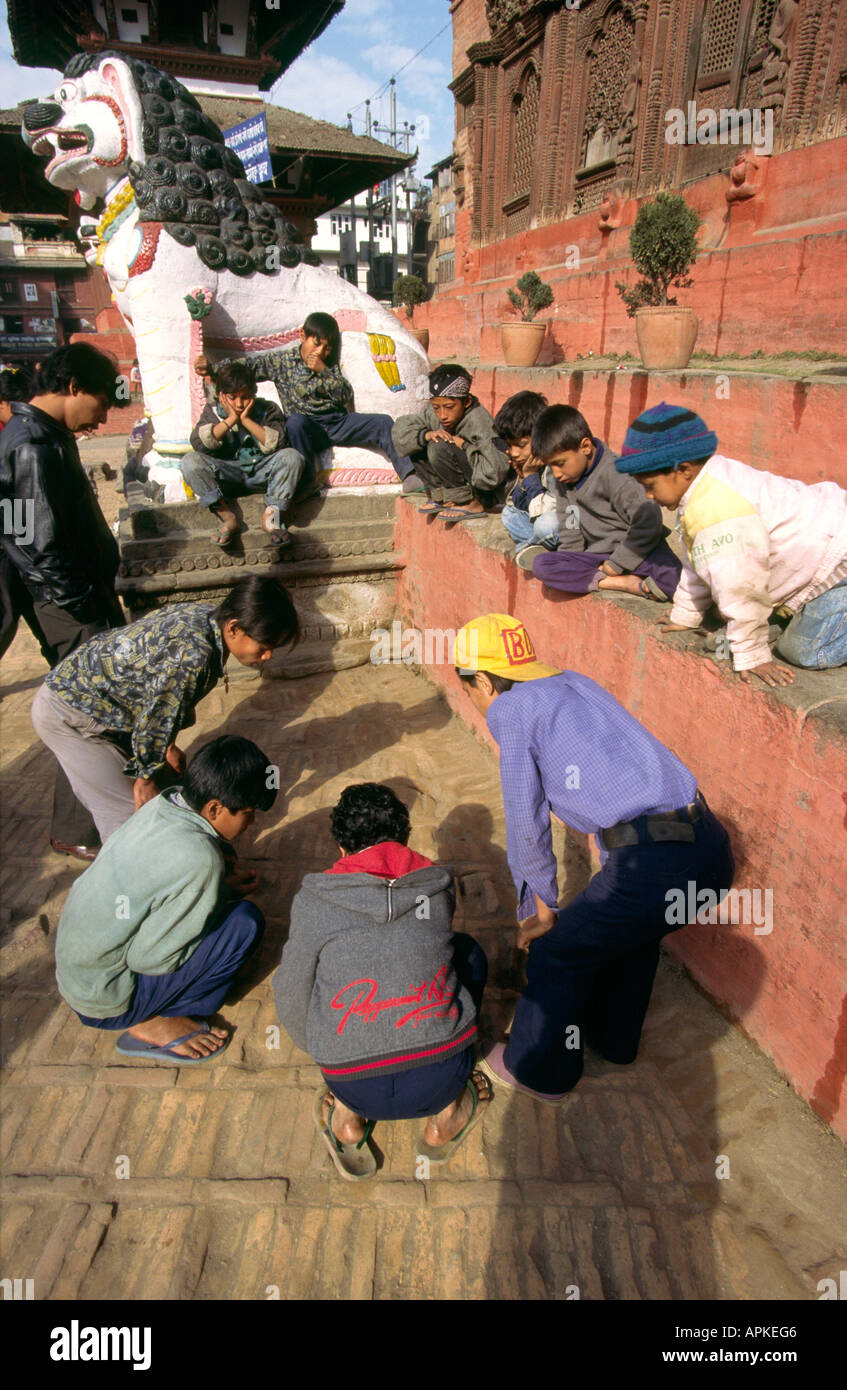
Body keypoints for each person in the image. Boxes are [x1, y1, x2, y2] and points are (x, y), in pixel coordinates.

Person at [453, 613, 734, 1102]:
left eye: (470, 690)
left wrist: (539, 903)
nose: (475, 703)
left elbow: (526, 817)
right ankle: (615, 1043)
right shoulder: (573, 681)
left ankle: (540, 1072)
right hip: (709, 848)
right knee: (634, 937)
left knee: (558, 953)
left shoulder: (511, 710)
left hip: (654, 863)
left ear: (481, 680)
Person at [274, 783, 491, 1180]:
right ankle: (444, 1119)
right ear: (404, 836)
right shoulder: (439, 886)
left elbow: (289, 991)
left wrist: (325, 1044)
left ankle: (347, 1120)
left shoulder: (314, 900)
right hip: (440, 1078)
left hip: (350, 1082)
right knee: (469, 952)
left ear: (341, 847)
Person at [31, 575, 298, 846]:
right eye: (263, 648)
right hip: (69, 713)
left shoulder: (205, 615)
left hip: (107, 709)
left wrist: (166, 747)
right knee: (133, 819)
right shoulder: (193, 657)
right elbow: (157, 715)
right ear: (233, 628)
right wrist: (145, 778)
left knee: (176, 794)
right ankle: (130, 878)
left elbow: (159, 694)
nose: (267, 657)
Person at [55, 736, 275, 1064]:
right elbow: (151, 960)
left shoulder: (163, 802)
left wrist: (215, 889)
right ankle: (154, 1022)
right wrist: (208, 902)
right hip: (106, 1000)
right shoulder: (200, 859)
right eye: (247, 813)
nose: (252, 823)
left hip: (79, 974)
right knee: (244, 924)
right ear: (214, 808)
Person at [615, 402, 847, 685]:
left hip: (837, 557)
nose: (648, 496)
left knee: (804, 651)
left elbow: (741, 585)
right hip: (815, 552)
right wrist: (685, 615)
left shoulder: (718, 509)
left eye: (650, 486)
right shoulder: (702, 488)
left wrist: (752, 654)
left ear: (683, 470)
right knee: (723, 608)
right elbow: (696, 559)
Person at [0, 344, 127, 859]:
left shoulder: (40, 436)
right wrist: (82, 607)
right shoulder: (31, 444)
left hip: (70, 597)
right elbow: (30, 541)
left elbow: (16, 529)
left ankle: (92, 816)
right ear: (74, 386)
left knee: (91, 703)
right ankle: (81, 828)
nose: (101, 418)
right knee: (90, 708)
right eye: (100, 403)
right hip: (70, 604)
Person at [197, 311, 416, 490]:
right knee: (294, 422)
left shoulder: (328, 365)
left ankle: (410, 474)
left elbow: (344, 395)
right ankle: (306, 481)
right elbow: (248, 367)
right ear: (303, 336)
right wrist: (212, 368)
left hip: (336, 423)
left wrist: (323, 371)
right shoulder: (282, 362)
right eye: (316, 343)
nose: (320, 351)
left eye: (327, 347)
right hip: (306, 428)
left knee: (383, 422)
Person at [526, 404, 682, 599]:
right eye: (550, 466)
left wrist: (617, 564)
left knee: (681, 587)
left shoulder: (618, 474)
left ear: (585, 447)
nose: (556, 474)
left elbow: (648, 522)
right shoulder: (564, 482)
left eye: (560, 463)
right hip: (600, 557)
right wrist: (571, 561)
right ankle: (622, 584)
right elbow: (570, 529)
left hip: (641, 552)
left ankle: (631, 577)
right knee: (542, 565)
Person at [181, 360, 306, 547]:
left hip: (260, 473)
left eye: (245, 397)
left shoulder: (267, 409)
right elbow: (200, 443)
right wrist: (231, 420)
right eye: (232, 397)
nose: (239, 404)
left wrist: (246, 420)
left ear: (254, 394)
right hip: (227, 475)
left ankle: (271, 517)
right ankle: (227, 517)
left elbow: (277, 443)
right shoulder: (213, 412)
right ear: (221, 395)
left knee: (292, 457)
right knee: (190, 462)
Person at [391, 364, 512, 521]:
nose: (443, 415)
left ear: (467, 401)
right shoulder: (435, 415)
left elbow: (494, 471)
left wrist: (464, 445)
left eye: (449, 407)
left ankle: (471, 502)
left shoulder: (479, 423)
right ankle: (441, 496)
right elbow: (401, 430)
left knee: (439, 445)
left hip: (487, 492)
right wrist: (425, 435)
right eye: (436, 408)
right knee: (420, 440)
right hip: (461, 484)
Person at [494, 391, 558, 563]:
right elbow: (522, 507)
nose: (514, 453)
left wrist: (531, 478)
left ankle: (527, 546)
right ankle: (539, 547)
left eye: (521, 445)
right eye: (509, 446)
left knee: (546, 526)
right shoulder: (532, 463)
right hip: (544, 519)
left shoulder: (558, 463)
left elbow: (550, 511)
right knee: (509, 514)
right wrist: (523, 480)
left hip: (569, 523)